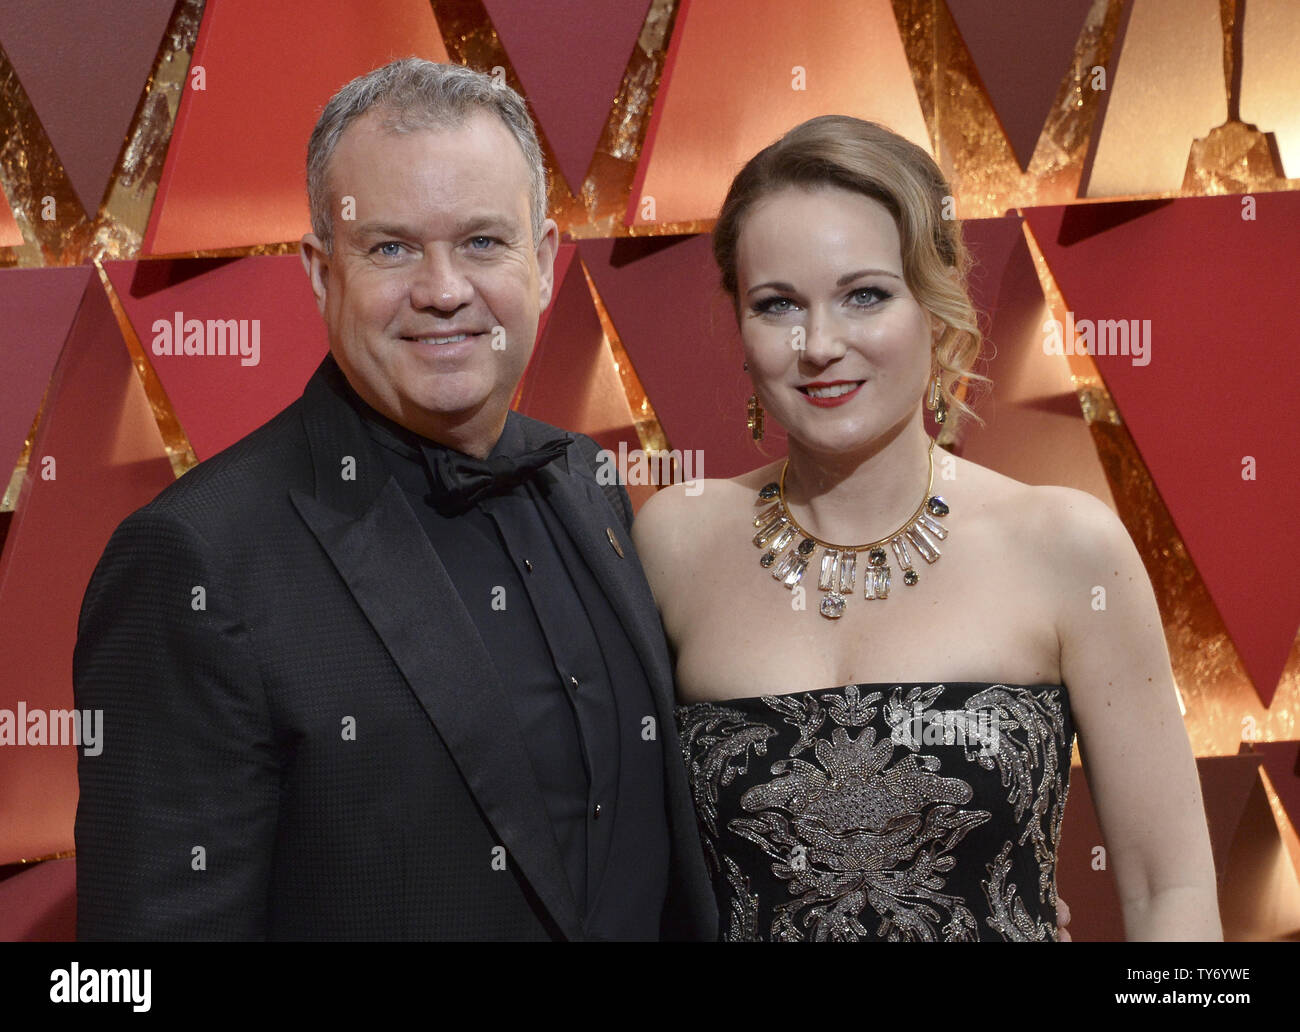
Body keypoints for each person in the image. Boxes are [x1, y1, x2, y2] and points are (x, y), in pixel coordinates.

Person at [73, 58, 715, 941]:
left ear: (543, 259)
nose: (444, 290)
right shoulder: (197, 558)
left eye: (483, 242)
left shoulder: (586, 477)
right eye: (391, 248)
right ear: (318, 271)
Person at [631, 115, 1221, 942]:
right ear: (741, 329)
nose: (819, 344)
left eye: (864, 294)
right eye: (777, 305)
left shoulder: (1066, 547)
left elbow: (1173, 893)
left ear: (935, 308)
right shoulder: (675, 544)